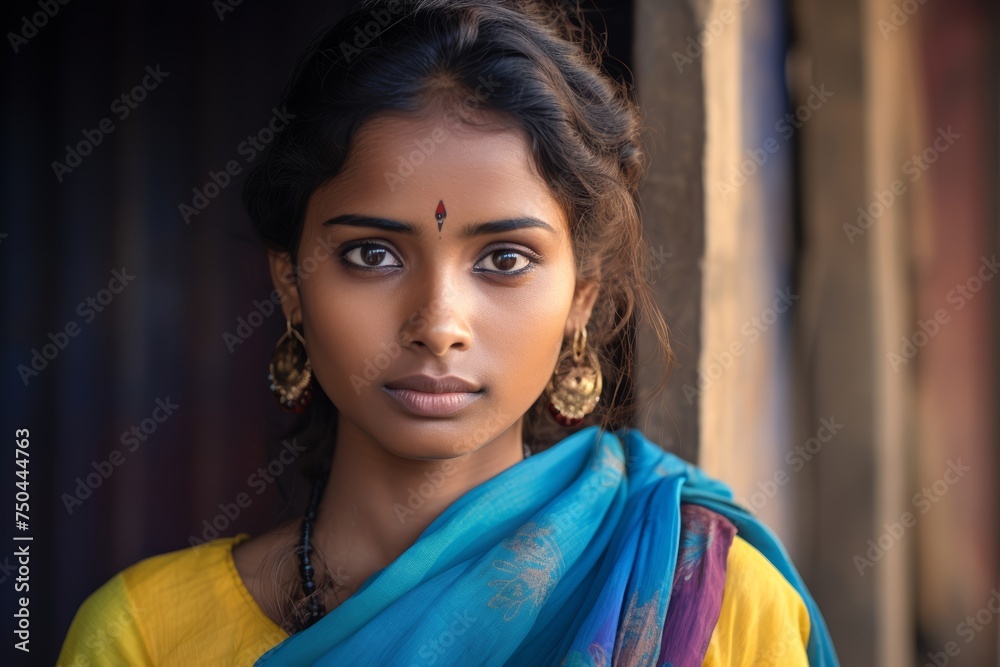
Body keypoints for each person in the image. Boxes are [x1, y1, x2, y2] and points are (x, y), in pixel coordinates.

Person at [57, 0, 840, 665]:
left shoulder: (711, 606)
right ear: (290, 282)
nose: (438, 323)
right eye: (372, 254)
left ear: (582, 298)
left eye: (504, 258)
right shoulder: (147, 637)